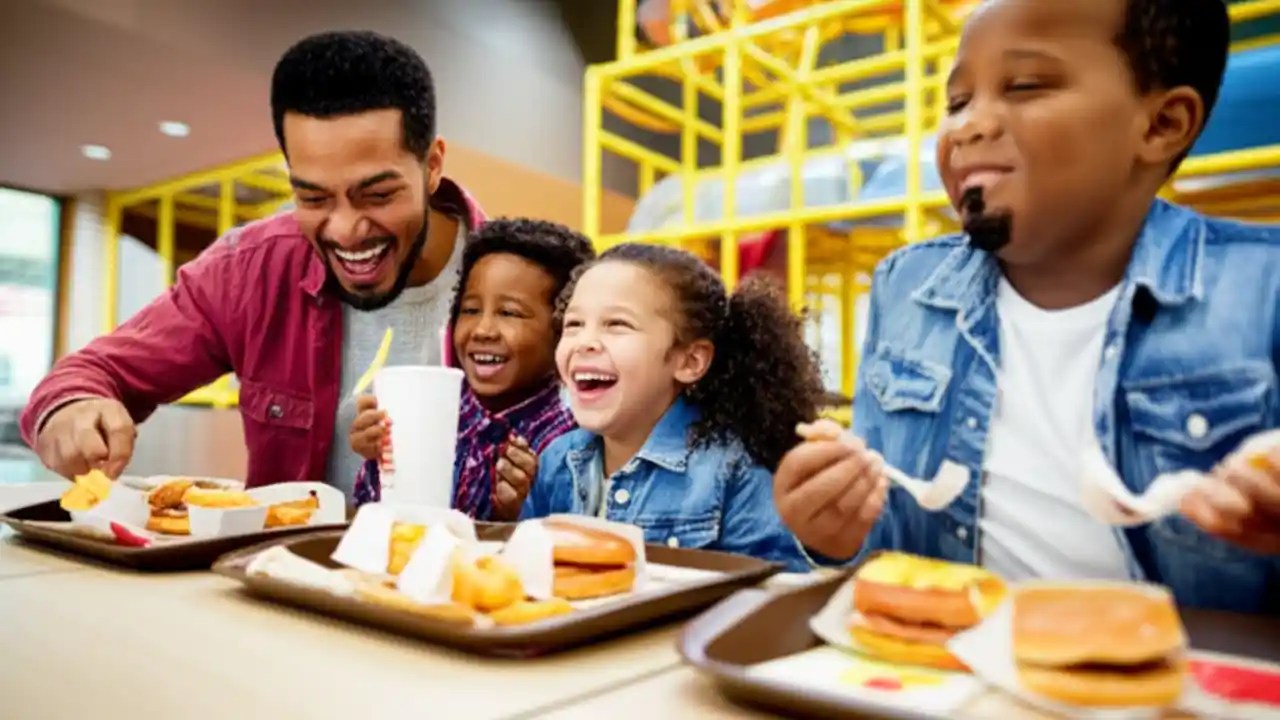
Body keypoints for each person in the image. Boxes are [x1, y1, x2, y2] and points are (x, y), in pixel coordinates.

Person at [772, 0, 1280, 613]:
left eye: (1026, 86)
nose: (968, 127)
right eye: (957, 102)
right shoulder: (906, 286)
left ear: (1161, 124)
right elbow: (887, 551)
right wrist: (833, 532)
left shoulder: (1262, 289)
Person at [20, 31, 485, 493]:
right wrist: (70, 408)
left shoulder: (531, 279)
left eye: (379, 195)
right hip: (282, 564)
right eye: (313, 196)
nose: (345, 229)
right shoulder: (250, 270)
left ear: (432, 166)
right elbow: (90, 374)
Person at [520, 244, 823, 571]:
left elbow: (771, 596)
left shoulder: (732, 469)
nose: (585, 341)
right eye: (574, 324)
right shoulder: (555, 461)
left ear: (690, 361)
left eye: (617, 324)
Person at [349, 218, 593, 520]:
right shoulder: (436, 414)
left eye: (509, 313)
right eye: (470, 310)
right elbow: (377, 518)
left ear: (563, 329)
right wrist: (379, 462)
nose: (483, 330)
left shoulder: (571, 445)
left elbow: (568, 546)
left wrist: (521, 513)